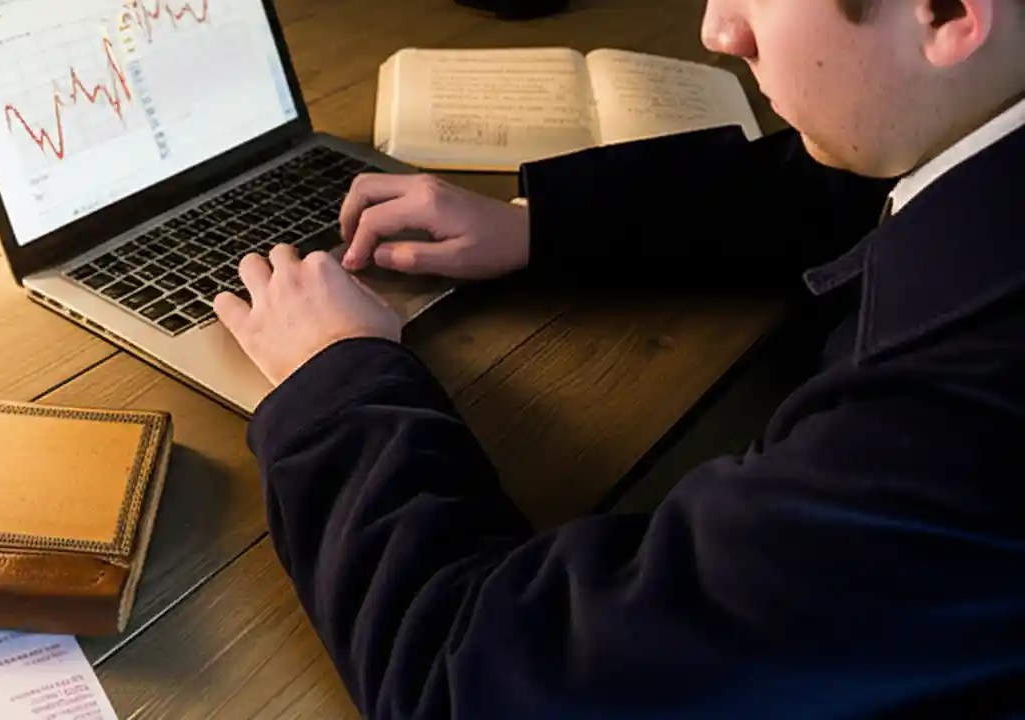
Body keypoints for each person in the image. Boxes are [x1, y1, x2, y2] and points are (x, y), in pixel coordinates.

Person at [211, 0, 1025, 715]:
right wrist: (542, 225)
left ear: (949, 11)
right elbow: (835, 187)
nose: (717, 29)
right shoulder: (978, 118)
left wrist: (337, 380)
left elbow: (480, 682)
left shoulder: (949, 417)